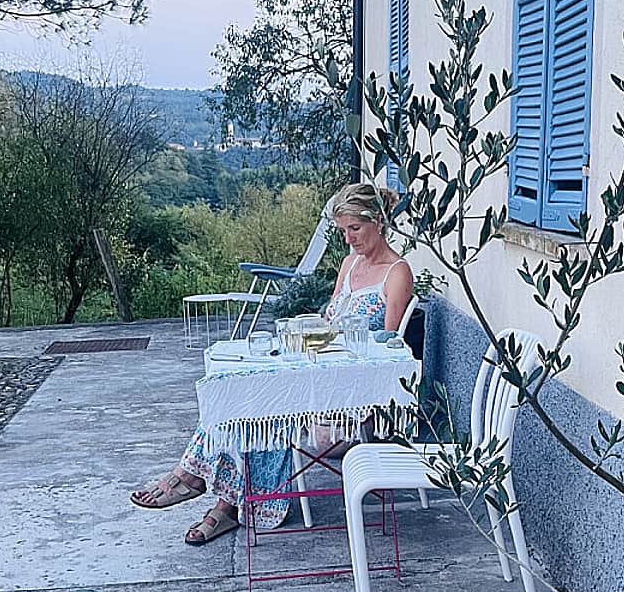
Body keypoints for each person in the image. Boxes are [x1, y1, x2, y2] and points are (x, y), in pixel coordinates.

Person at [131, 182, 414, 546]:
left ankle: (202, 489)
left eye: (354, 229)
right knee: (242, 400)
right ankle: (217, 499)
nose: (348, 239)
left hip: (350, 400)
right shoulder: (350, 264)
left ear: (377, 221)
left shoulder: (397, 273)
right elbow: (329, 325)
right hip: (318, 376)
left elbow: (387, 351)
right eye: (343, 231)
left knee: (257, 408)